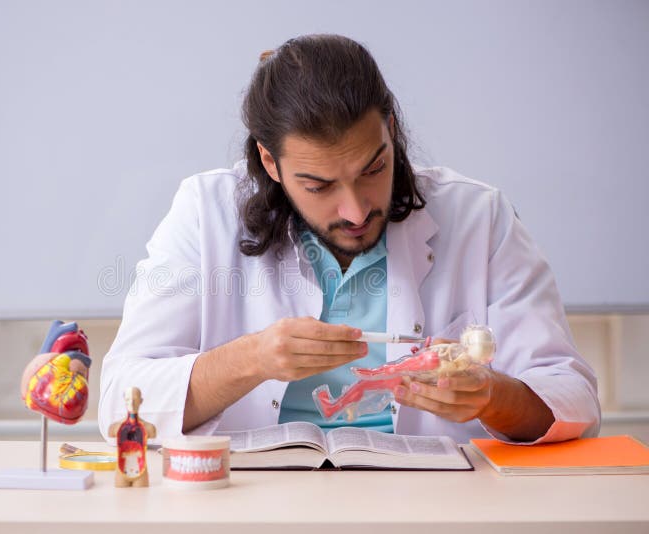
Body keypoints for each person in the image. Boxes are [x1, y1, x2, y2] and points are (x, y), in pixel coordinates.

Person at [98, 34, 600, 445]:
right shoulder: (205, 212)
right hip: (253, 506)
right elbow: (122, 400)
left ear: (392, 131)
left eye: (373, 169)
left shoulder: (477, 215)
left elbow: (573, 397)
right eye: (319, 186)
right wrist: (251, 359)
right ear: (270, 164)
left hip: (432, 507)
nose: (356, 210)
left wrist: (491, 396)